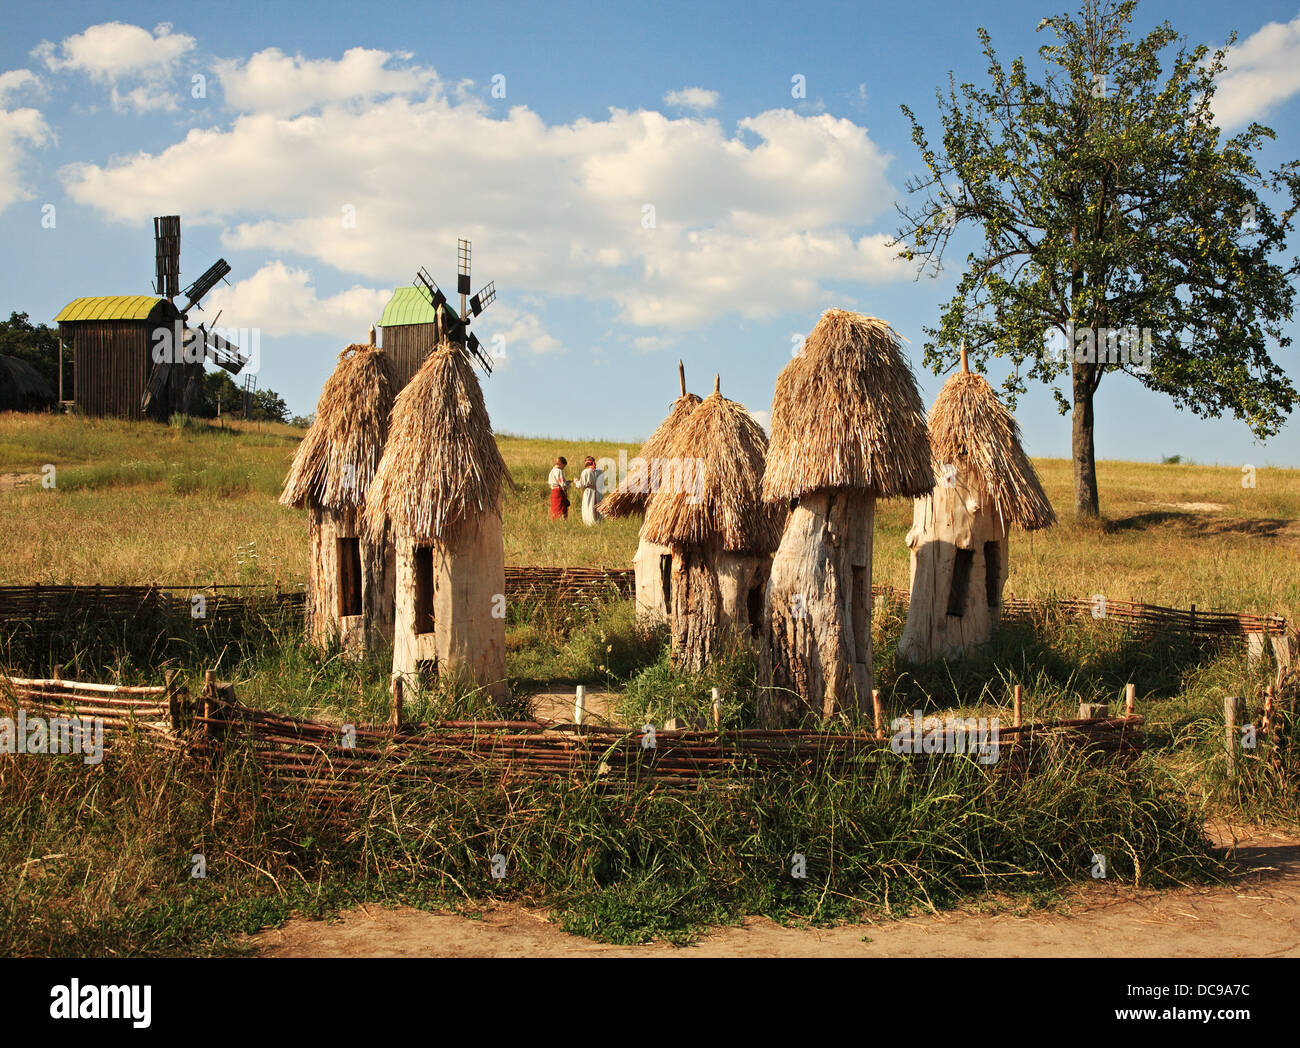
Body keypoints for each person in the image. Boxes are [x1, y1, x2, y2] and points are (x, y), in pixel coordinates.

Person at [577, 455, 604, 526]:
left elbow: (581, 484)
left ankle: (589, 524)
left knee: (589, 507)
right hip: (598, 492)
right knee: (598, 507)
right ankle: (599, 523)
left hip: (589, 492)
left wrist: (576, 481)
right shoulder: (600, 471)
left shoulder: (585, 472)